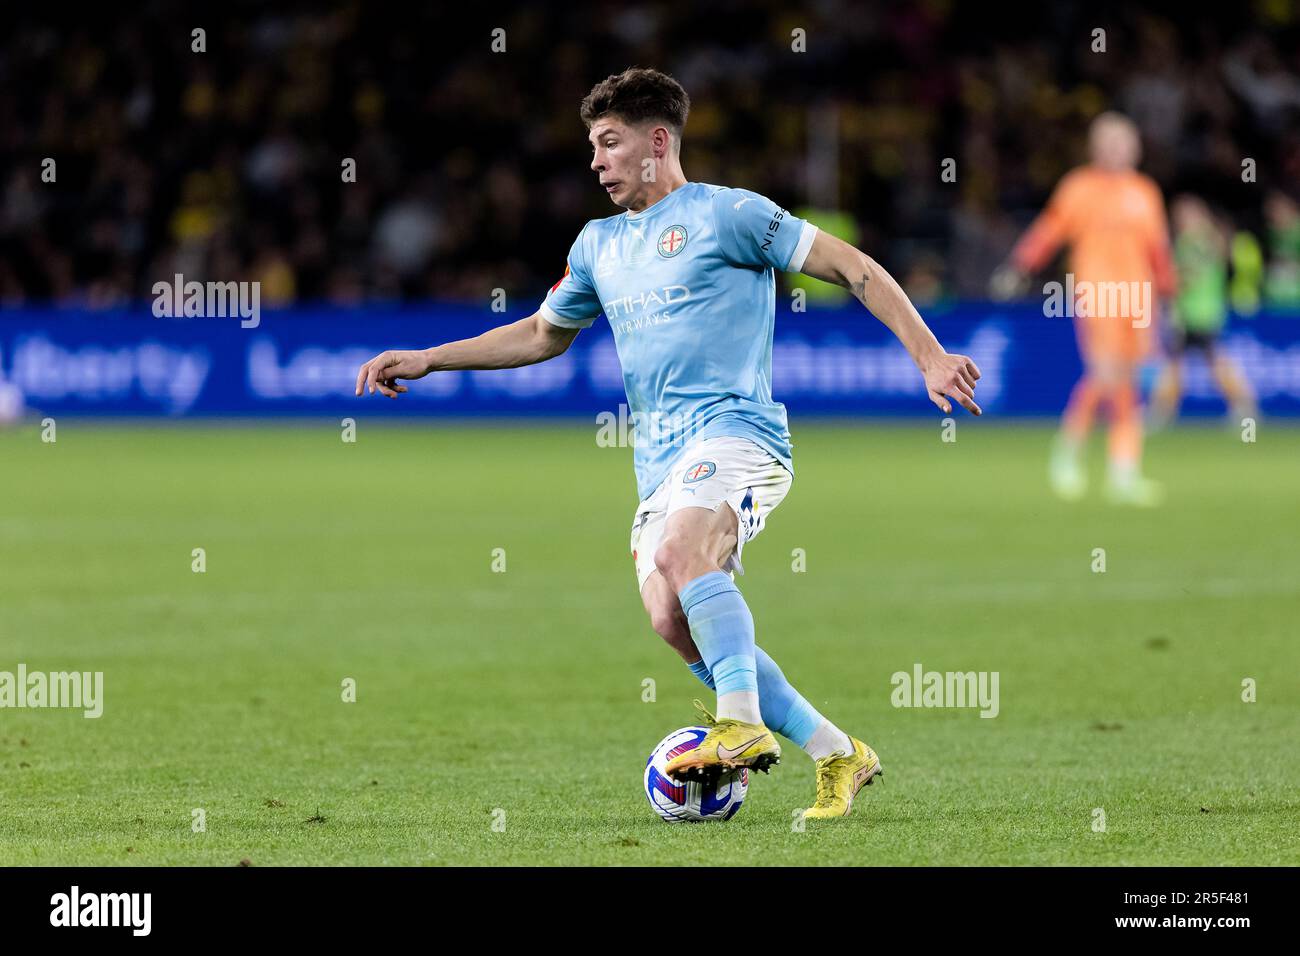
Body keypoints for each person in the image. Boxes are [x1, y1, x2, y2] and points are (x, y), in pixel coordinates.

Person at [355, 68, 981, 820]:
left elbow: (854, 267)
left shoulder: (732, 214)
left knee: (686, 555)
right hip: (658, 462)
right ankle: (838, 753)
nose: (596, 161)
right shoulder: (597, 245)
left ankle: (740, 724)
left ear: (658, 143)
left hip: (740, 433)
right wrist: (430, 358)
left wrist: (930, 356)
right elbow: (537, 335)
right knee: (669, 616)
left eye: (609, 142)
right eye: (592, 145)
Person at [994, 112, 1175, 505]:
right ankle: (1067, 453)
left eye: (1123, 141)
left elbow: (1157, 250)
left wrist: (1168, 292)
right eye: (1108, 141)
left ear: (1136, 147)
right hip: (1098, 292)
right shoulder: (1078, 187)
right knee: (1106, 373)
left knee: (1127, 381)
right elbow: (1050, 229)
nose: (1116, 149)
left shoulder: (1145, 192)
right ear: (1095, 147)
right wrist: (1020, 266)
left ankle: (1123, 472)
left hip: (1138, 297)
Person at [1150, 196, 1256, 427]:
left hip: (1202, 314)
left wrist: (1167, 282)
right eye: (1179, 215)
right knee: (1176, 364)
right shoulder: (1193, 241)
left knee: (1213, 362)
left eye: (1187, 214)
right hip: (1187, 314)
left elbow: (1186, 276)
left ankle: (1245, 408)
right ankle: (1162, 411)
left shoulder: (1201, 242)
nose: (1182, 219)